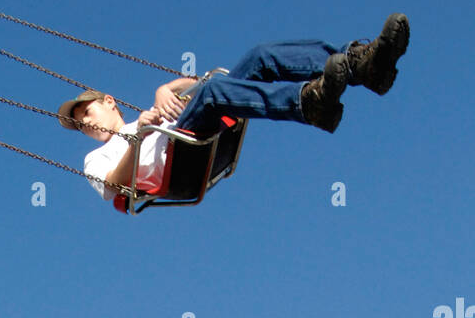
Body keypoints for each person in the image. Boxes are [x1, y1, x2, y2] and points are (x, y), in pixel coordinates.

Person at [57, 15, 410, 202]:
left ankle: (360, 64)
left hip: (190, 127)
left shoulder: (150, 113)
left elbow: (201, 80)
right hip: (178, 162)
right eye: (80, 125)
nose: (86, 123)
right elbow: (117, 183)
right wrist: (141, 136)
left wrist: (165, 89)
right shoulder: (95, 160)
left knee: (258, 56)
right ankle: (308, 103)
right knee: (212, 93)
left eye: (86, 113)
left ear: (109, 102)